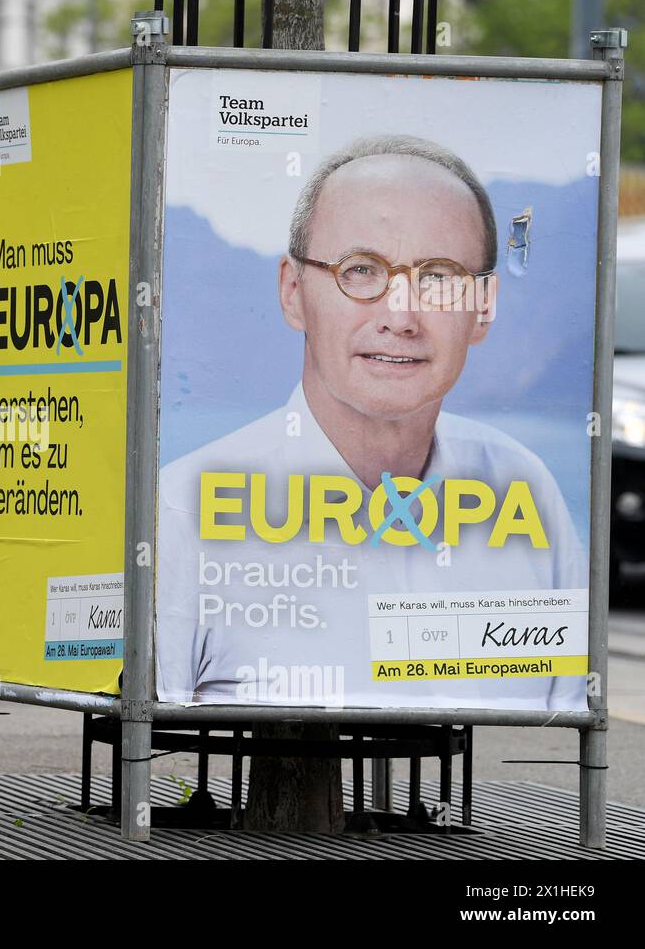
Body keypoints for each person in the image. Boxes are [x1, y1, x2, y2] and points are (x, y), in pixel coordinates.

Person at [157, 134, 587, 711]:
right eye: (360, 271)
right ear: (293, 292)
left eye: (439, 277)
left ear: (484, 306)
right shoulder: (185, 511)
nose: (401, 316)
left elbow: (561, 733)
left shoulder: (524, 493)